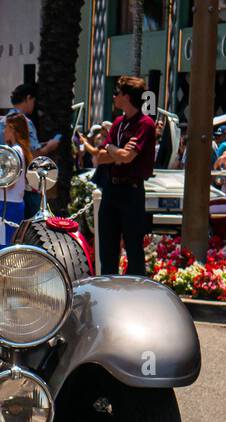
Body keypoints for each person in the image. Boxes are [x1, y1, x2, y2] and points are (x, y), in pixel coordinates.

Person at [79, 76, 157, 278]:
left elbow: (127, 157)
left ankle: (136, 290)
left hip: (132, 191)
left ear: (127, 97)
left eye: (117, 93)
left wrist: (112, 149)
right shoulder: (117, 123)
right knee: (107, 249)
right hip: (111, 190)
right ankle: (108, 287)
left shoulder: (145, 124)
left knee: (133, 248)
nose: (114, 97)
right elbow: (100, 158)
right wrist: (117, 152)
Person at [0, 112, 30, 257]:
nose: (4, 131)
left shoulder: (14, 151)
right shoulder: (19, 150)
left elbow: (9, 183)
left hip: (8, 205)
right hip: (11, 204)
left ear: (13, 130)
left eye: (6, 128)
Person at [1, 82, 61, 159]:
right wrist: (49, 147)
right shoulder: (25, 122)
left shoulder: (2, 121)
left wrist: (40, 145)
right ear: (28, 98)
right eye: (34, 101)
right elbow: (30, 155)